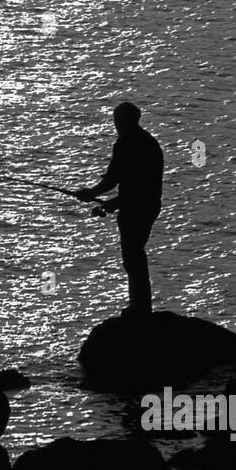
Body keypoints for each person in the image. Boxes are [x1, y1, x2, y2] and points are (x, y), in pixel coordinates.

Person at [74, 102, 164, 315]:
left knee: (132, 255)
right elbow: (128, 181)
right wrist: (110, 200)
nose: (116, 125)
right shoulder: (150, 143)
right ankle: (140, 305)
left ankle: (139, 307)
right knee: (134, 253)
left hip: (137, 207)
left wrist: (93, 194)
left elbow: (116, 179)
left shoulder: (126, 144)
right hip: (147, 205)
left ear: (127, 121)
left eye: (118, 121)